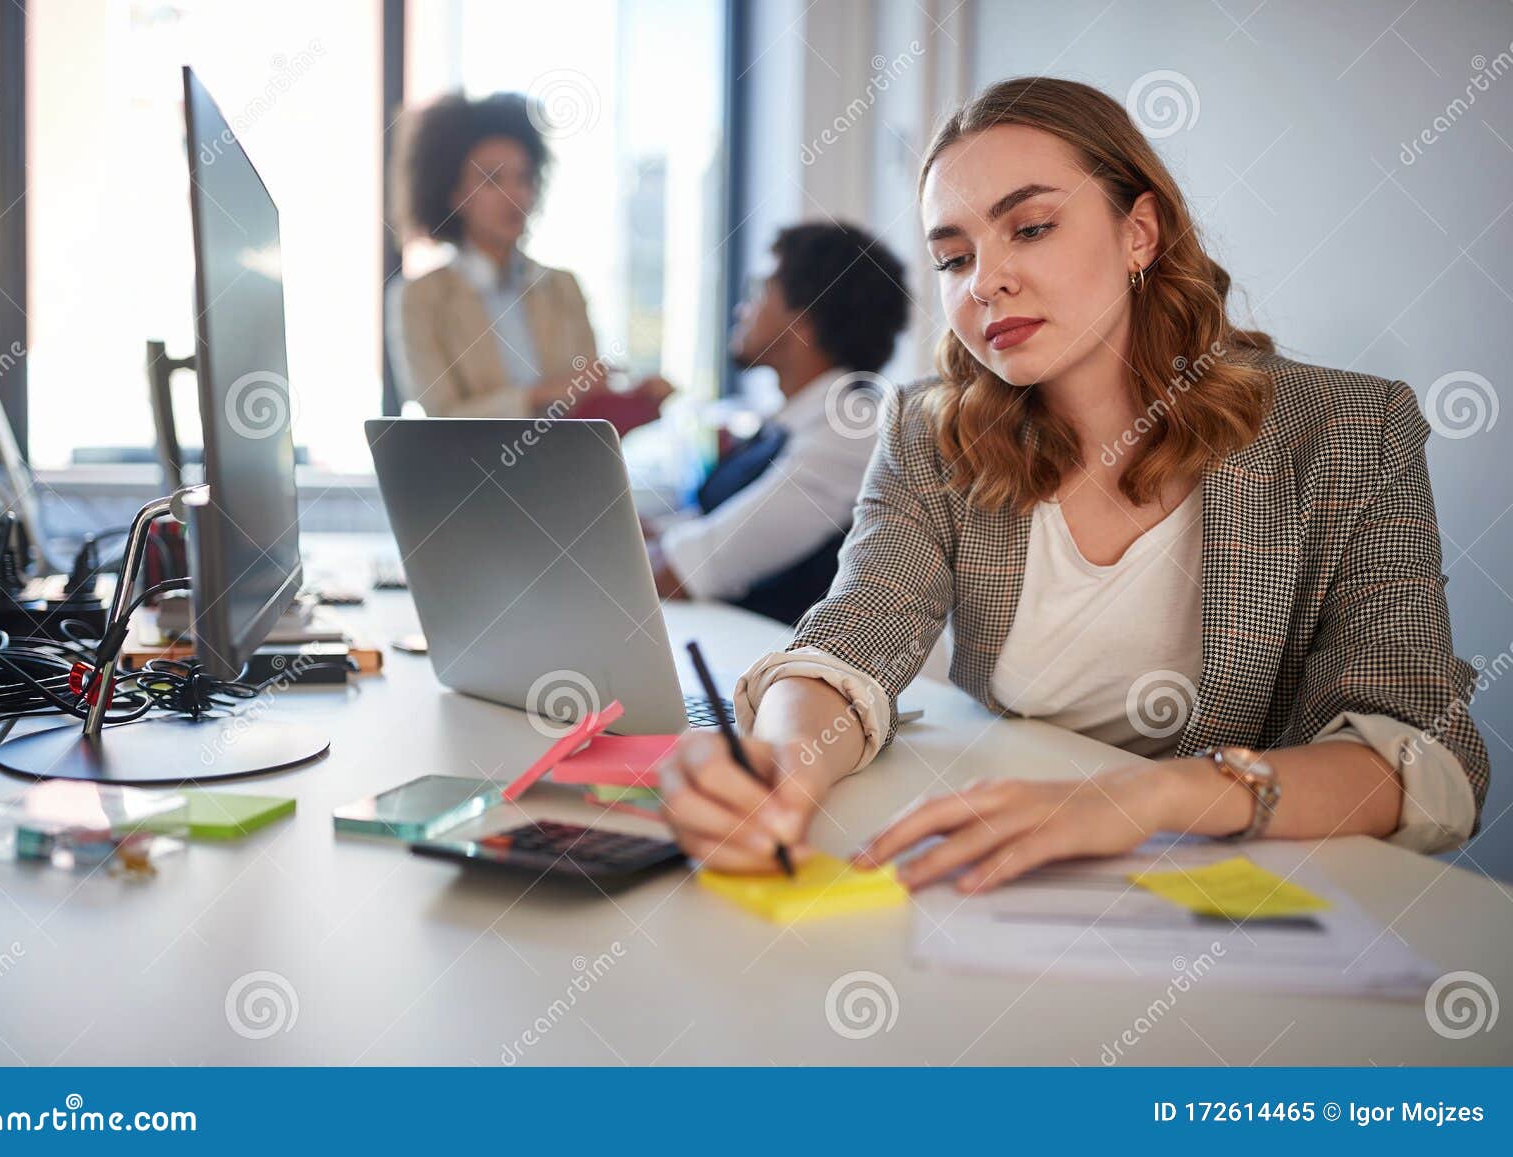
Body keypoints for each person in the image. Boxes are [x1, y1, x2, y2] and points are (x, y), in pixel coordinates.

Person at [657, 76, 1490, 887]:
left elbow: (1424, 756)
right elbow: (852, 636)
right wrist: (781, 763)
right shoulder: (930, 429)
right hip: (1008, 881)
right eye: (954, 257)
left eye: (1031, 227)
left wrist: (1146, 797)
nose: (985, 281)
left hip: (1250, 894)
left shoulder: (1348, 431)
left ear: (1140, 232)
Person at [646, 222, 910, 625]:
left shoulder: (851, 431)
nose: (742, 309)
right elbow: (700, 532)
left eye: (760, 291)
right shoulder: (790, 422)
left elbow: (692, 570)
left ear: (803, 321)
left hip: (782, 676)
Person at [387, 91, 671, 424]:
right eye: (492, 179)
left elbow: (587, 406)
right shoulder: (419, 298)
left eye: (523, 178)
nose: (515, 195)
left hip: (567, 469)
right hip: (470, 474)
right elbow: (442, 416)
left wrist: (634, 395)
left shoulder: (563, 287)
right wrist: (541, 394)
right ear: (455, 195)